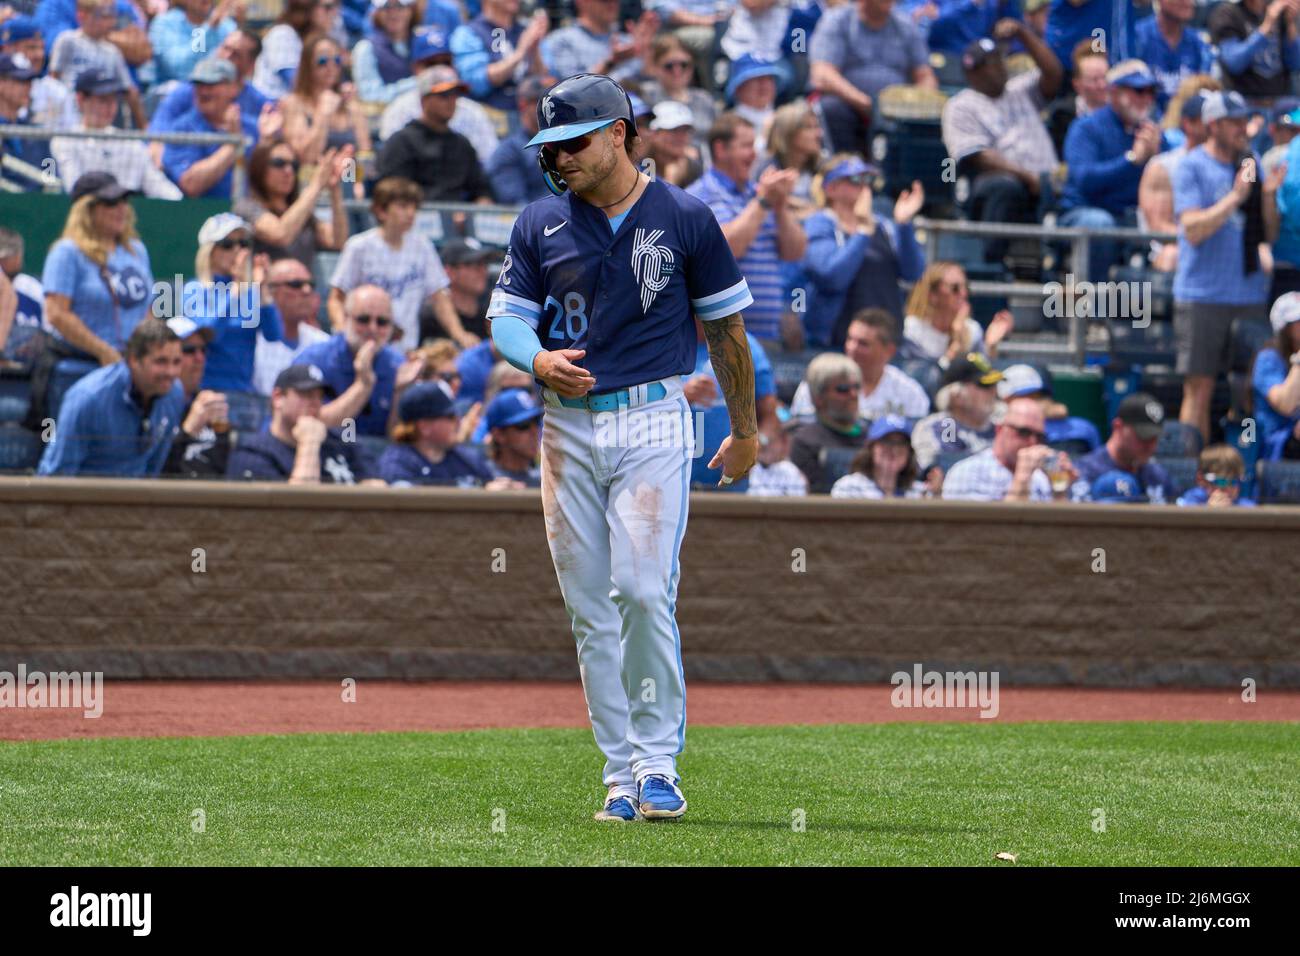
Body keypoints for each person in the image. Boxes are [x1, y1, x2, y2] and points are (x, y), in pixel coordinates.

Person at [484, 73, 759, 822]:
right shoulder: (538, 222)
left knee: (641, 590)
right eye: (550, 145)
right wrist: (535, 359)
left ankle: (659, 762)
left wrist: (744, 431)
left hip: (653, 416)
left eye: (573, 141)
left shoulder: (685, 217)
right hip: (567, 424)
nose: (559, 157)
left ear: (619, 133)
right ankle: (619, 775)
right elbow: (507, 320)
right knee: (589, 610)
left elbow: (728, 332)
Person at [1173, 90, 1277, 444]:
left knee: (1247, 391)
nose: (1242, 129)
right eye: (1233, 122)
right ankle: (1190, 476)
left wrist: (1265, 196)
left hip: (1248, 292)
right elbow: (1193, 230)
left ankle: (1238, 475)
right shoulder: (1191, 165)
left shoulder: (1252, 163)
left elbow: (1269, 233)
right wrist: (1234, 197)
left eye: (1243, 121)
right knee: (1198, 388)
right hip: (1202, 294)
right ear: (1212, 125)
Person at [39, 171, 154, 418]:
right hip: (78, 369)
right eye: (111, 203)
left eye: (124, 201)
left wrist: (141, 355)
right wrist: (103, 351)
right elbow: (57, 313)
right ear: (86, 210)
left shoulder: (136, 251)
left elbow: (148, 310)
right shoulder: (67, 252)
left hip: (127, 370)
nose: (121, 209)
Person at [687, 113, 807, 345]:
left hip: (767, 338)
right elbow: (727, 249)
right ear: (721, 149)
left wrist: (780, 206)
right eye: (746, 146)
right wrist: (763, 203)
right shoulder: (701, 194)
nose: (754, 155)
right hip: (720, 341)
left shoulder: (758, 193)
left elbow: (795, 252)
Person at [329, 176, 477, 350]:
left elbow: (439, 297)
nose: (410, 213)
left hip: (405, 349)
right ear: (381, 211)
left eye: (414, 207)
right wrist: (341, 331)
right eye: (402, 206)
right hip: (362, 346)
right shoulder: (359, 246)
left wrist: (459, 334)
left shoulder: (422, 246)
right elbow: (336, 298)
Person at [941, 23, 1062, 229]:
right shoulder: (960, 105)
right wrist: (1028, 177)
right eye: (991, 63)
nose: (1000, 66)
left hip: (1046, 180)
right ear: (973, 74)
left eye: (1000, 59)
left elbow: (1053, 74)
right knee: (1004, 186)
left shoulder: (1020, 89)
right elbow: (981, 157)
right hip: (1002, 185)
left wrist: (1024, 34)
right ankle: (991, 259)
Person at [1059, 59, 1169, 282]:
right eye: (1138, 91)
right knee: (1100, 223)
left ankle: (1157, 310)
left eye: (1150, 92)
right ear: (1115, 92)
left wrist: (1159, 157)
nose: (1146, 99)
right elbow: (1084, 179)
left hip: (1133, 215)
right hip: (1086, 210)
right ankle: (1095, 308)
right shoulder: (1087, 127)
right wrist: (1131, 160)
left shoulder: (1152, 134)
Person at [800, 157, 925, 347]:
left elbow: (913, 273)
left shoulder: (884, 226)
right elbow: (832, 277)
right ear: (831, 188)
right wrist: (863, 232)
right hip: (836, 343)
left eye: (868, 180)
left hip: (884, 342)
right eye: (855, 180)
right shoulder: (819, 224)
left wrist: (904, 225)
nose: (865, 187)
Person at [37, 318, 185, 477]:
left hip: (137, 497)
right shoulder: (88, 398)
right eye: (161, 362)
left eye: (176, 362)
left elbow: (154, 469)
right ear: (134, 360)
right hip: (85, 497)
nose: (171, 372)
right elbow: (57, 474)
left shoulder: (174, 393)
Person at [183, 214, 284, 432]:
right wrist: (237, 288)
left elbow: (274, 334)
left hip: (245, 395)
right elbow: (210, 332)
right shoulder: (195, 289)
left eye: (243, 243)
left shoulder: (247, 292)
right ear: (210, 252)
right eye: (228, 244)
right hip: (209, 393)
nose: (238, 251)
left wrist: (263, 289)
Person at [809, 0, 938, 154]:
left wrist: (914, 103)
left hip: (896, 111)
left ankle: (901, 175)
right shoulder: (838, 19)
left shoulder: (905, 24)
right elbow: (822, 74)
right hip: (850, 105)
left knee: (925, 120)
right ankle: (843, 170)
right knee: (831, 107)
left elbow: (926, 76)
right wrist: (865, 103)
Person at [227, 362, 377, 484]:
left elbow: (378, 488)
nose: (316, 403)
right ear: (278, 397)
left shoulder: (341, 441)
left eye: (320, 396)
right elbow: (296, 514)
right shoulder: (253, 453)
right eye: (306, 394)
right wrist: (309, 443)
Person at [51, 69, 182, 199]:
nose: (110, 107)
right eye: (102, 100)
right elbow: (74, 188)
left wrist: (182, 204)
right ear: (81, 99)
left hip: (125, 215)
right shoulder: (64, 140)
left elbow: (158, 186)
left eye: (114, 99)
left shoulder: (131, 144)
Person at [299, 283, 409, 437]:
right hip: (325, 449)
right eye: (363, 320)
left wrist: (400, 392)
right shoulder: (315, 360)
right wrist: (362, 386)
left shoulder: (397, 364)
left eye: (382, 322)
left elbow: (396, 438)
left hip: (375, 455)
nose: (373, 328)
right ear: (345, 318)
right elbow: (308, 424)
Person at [378, 27, 501, 163]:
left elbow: (489, 162)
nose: (439, 70)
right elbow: (392, 162)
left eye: (445, 62)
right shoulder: (399, 110)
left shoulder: (473, 113)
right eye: (431, 64)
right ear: (415, 68)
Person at [375, 64, 493, 204]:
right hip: (416, 219)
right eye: (443, 96)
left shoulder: (462, 144)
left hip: (460, 220)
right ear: (424, 100)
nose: (451, 102)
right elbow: (392, 193)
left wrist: (478, 209)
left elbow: (481, 190)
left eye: (455, 95)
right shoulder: (402, 142)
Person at [162, 58, 275, 201]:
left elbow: (271, 184)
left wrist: (268, 142)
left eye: (211, 84)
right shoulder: (181, 129)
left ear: (233, 88)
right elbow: (191, 184)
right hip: (198, 215)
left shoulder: (254, 127)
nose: (203, 91)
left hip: (251, 215)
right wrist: (232, 145)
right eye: (199, 84)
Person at [686, 316, 778, 490]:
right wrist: (682, 395)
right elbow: (641, 412)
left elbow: (769, 417)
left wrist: (753, 448)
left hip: (734, 489)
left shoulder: (745, 346)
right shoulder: (668, 345)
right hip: (679, 486)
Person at [790, 309, 930, 421]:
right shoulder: (819, 381)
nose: (852, 348)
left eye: (863, 344)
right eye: (850, 339)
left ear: (889, 351)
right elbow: (801, 428)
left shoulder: (909, 393)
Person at [280, 32, 372, 196]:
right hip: (308, 190)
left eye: (336, 61)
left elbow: (365, 160)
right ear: (307, 65)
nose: (331, 67)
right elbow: (306, 158)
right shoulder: (294, 103)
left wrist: (348, 176)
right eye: (322, 61)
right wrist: (323, 115)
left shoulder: (352, 107)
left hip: (346, 189)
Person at [149, 29, 269, 155]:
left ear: (251, 65)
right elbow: (156, 141)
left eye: (236, 54)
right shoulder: (185, 92)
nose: (226, 56)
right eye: (225, 48)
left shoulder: (260, 103)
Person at [237, 139, 350, 268]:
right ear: (259, 167)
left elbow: (338, 241)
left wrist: (335, 190)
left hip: (303, 286)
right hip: (266, 286)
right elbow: (280, 234)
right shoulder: (246, 207)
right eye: (279, 163)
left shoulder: (302, 212)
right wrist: (316, 185)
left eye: (294, 165)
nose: (288, 171)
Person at [942, 396, 1076, 501]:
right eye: (1024, 432)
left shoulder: (1041, 477)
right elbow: (993, 533)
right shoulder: (967, 472)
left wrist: (1059, 491)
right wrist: (1023, 477)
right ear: (1000, 429)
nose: (1032, 441)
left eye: (1039, 436)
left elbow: (1060, 533)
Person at [1138, 85, 1213, 272]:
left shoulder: (1229, 164)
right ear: (1188, 124)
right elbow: (1160, 227)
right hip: (1172, 246)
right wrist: (1206, 238)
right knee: (1173, 254)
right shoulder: (1164, 166)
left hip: (1215, 241)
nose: (1214, 126)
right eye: (1208, 120)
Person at [378, 378, 504, 486]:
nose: (458, 422)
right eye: (450, 417)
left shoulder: (467, 458)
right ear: (424, 427)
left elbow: (489, 487)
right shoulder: (398, 463)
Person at [47, 0, 144, 129]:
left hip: (100, 118)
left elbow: (129, 91)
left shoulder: (112, 51)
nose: (111, 23)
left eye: (112, 16)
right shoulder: (67, 40)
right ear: (82, 15)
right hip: (67, 116)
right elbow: (52, 81)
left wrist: (144, 127)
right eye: (104, 16)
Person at [450, 0, 548, 123]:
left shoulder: (525, 29)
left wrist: (534, 49)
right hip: (490, 118)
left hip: (529, 119)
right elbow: (475, 83)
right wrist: (520, 53)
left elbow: (545, 79)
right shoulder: (468, 32)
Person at [902, 262, 1013, 365]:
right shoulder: (912, 330)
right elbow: (924, 380)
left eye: (966, 287)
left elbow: (982, 376)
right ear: (933, 295)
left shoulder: (972, 329)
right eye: (955, 288)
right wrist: (956, 346)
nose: (963, 293)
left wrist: (990, 345)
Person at [161, 315, 230, 479]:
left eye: (203, 350)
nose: (199, 358)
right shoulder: (154, 405)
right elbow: (156, 469)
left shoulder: (208, 404)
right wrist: (189, 430)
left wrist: (224, 434)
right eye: (189, 350)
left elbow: (223, 467)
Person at [911, 352, 1001, 477]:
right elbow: (942, 469)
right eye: (984, 385)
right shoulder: (938, 426)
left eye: (994, 385)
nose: (993, 391)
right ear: (956, 395)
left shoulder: (1004, 427)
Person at [789, 352, 868, 493]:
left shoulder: (875, 437)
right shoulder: (804, 442)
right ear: (818, 398)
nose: (853, 394)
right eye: (843, 389)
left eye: (856, 387)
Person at [1075, 391, 1173, 503]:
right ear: (1118, 427)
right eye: (1144, 437)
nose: (1151, 446)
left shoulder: (1158, 477)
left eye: (1155, 438)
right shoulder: (1085, 472)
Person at [253, 259, 330, 397]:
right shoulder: (250, 340)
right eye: (296, 285)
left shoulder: (323, 343)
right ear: (270, 291)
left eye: (310, 285)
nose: (306, 291)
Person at [540, 0, 658, 84]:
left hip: (633, 112)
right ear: (581, 2)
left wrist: (646, 51)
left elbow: (648, 81)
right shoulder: (562, 40)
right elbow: (572, 90)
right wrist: (611, 62)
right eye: (605, 0)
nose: (613, 4)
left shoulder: (627, 41)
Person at [1209, 0, 1300, 103]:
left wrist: (1290, 24)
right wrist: (1266, 26)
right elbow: (1234, 63)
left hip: (1281, 101)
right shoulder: (1227, 13)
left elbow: (1296, 64)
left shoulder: (1279, 12)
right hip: (1244, 103)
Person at [997, 363, 1102, 451]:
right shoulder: (1002, 430)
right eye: (1022, 398)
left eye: (1039, 395)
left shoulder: (1083, 428)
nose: (1032, 402)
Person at [252, 0, 341, 102]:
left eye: (335, 7)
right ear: (308, 9)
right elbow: (295, 81)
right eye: (327, 7)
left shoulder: (313, 40)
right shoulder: (283, 34)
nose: (334, 13)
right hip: (271, 107)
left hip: (300, 107)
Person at [0, 15, 78, 130]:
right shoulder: (6, 83)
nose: (39, 55)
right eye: (31, 48)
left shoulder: (56, 90)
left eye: (41, 48)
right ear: (7, 49)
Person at [1134, 0, 1214, 112]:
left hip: (1187, 121)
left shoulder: (1198, 44)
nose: (1188, 2)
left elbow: (1206, 91)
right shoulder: (1139, 37)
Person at [485, 75, 552, 205]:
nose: (547, 107)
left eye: (550, 101)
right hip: (539, 221)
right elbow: (516, 205)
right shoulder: (508, 151)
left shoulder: (563, 144)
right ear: (523, 104)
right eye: (540, 101)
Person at [1250, 290, 1300, 460]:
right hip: (1277, 444)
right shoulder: (1268, 359)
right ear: (1284, 327)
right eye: (1298, 321)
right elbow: (1286, 405)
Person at [830, 414, 928, 498]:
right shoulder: (849, 487)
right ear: (871, 448)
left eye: (901, 443)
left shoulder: (921, 492)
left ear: (909, 453)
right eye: (886, 441)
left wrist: (937, 494)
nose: (894, 449)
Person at [636, 33, 716, 137]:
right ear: (655, 67)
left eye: (684, 65)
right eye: (669, 66)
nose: (677, 71)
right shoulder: (644, 94)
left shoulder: (704, 99)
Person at [757, 100, 827, 216]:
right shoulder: (767, 168)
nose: (819, 133)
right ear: (789, 133)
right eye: (809, 128)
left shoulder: (822, 166)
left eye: (817, 126)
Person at [420, 237, 494, 343]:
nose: (483, 271)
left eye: (485, 264)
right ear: (449, 272)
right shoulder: (431, 318)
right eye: (474, 265)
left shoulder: (490, 313)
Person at [147, 0, 236, 85]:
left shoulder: (227, 25)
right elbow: (181, 70)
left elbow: (235, 68)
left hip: (219, 90)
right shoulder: (164, 23)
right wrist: (209, 27)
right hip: (170, 92)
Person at [1046, 39, 1108, 156]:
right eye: (1094, 80)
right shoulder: (1061, 115)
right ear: (1077, 84)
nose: (1102, 85)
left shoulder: (1121, 110)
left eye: (1104, 77)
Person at [0, 50, 52, 191]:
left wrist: (51, 187)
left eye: (29, 82)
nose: (28, 88)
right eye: (20, 81)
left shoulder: (37, 132)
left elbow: (49, 168)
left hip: (36, 207)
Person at [353, 0, 419, 106]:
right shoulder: (366, 48)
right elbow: (371, 96)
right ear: (377, 12)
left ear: (411, 10)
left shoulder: (425, 42)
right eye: (386, 7)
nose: (393, 13)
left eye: (400, 6)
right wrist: (418, 84)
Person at [724, 54, 782, 157]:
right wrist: (766, 136)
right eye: (757, 79)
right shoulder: (728, 124)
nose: (764, 84)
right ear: (738, 87)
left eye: (769, 78)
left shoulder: (783, 117)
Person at [483, 386, 543, 485]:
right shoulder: (482, 477)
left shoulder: (543, 480)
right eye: (524, 425)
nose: (534, 431)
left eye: (536, 422)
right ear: (499, 434)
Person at [642, 100, 703, 188]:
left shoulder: (693, 168)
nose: (681, 137)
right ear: (654, 133)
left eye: (686, 131)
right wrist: (671, 181)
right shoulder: (640, 164)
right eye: (674, 130)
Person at [1176, 444, 1257, 506]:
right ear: (1201, 480)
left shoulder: (1244, 505)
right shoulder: (1193, 499)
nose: (1229, 488)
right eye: (1222, 482)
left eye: (1234, 482)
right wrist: (1210, 513)